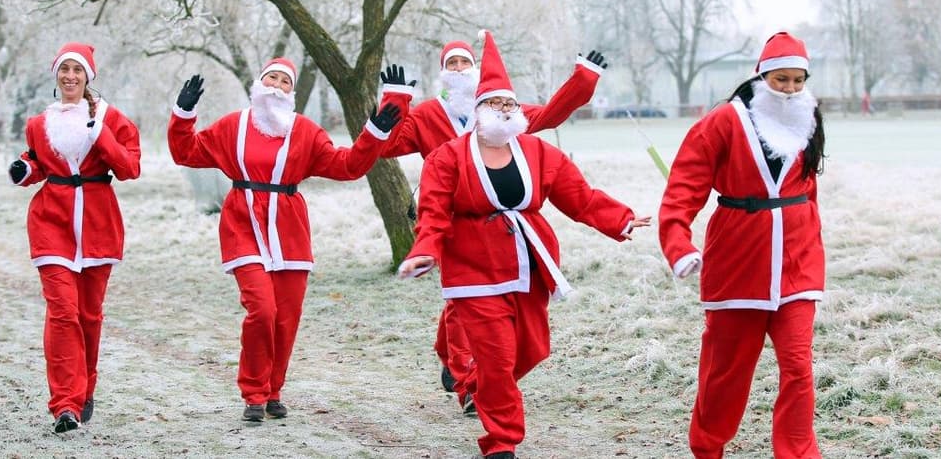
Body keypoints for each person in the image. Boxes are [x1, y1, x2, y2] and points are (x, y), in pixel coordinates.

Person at [398, 31, 650, 459]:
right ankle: (501, 443)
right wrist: (424, 250)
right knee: (496, 360)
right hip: (473, 270)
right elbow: (435, 211)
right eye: (493, 104)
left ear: (517, 110)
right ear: (479, 111)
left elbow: (579, 196)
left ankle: (474, 382)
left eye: (509, 104)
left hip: (529, 265)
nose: (503, 110)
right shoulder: (448, 156)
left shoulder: (535, 150)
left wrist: (620, 218)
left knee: (533, 348)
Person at [168, 57, 410, 422]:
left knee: (286, 319)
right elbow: (185, 152)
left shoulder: (306, 132)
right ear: (258, 84)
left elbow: (348, 166)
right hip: (243, 225)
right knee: (262, 310)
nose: (277, 85)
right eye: (271, 78)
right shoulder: (233, 126)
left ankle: (272, 390)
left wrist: (375, 131)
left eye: (284, 81)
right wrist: (183, 114)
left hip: (289, 232)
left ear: (291, 92)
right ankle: (252, 392)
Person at [382, 39, 608, 398]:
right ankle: (466, 377)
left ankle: (461, 364)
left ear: (475, 70)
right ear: (443, 72)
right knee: (463, 303)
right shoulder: (427, 115)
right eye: (451, 64)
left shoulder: (503, 113)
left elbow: (549, 113)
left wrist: (582, 81)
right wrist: (394, 102)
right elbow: (388, 145)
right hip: (449, 219)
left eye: (464, 63)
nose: (458, 69)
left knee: (465, 305)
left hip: (502, 232)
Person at [658, 31, 826, 459]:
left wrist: (812, 249)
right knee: (726, 374)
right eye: (780, 80)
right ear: (760, 76)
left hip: (796, 266)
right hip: (737, 266)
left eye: (797, 81)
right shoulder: (723, 123)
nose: (789, 90)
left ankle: (798, 452)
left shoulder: (808, 119)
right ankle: (708, 446)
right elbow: (682, 190)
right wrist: (679, 245)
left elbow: (808, 192)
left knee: (798, 367)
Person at [8, 43, 141, 434]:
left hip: (99, 224)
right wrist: (24, 169)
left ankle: (85, 390)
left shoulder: (113, 119)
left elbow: (130, 167)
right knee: (63, 311)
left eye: (77, 70)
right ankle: (64, 403)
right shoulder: (39, 123)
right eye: (63, 69)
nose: (69, 76)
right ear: (56, 76)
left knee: (88, 316)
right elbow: (37, 160)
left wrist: (100, 134)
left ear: (88, 78)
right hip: (53, 222)